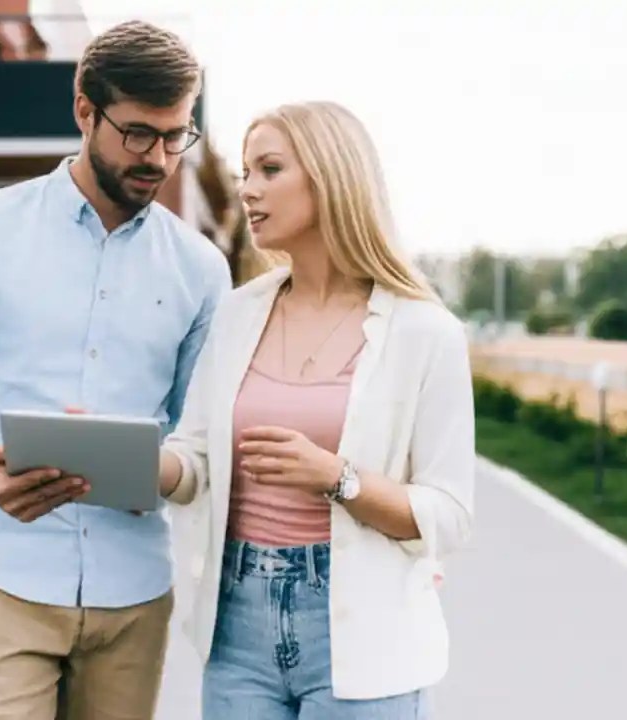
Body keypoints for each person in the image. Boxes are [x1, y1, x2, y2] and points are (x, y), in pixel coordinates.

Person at [0, 20, 233, 720]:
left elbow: (201, 437)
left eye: (176, 136)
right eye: (138, 133)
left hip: (134, 596)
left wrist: (160, 468)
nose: (159, 158)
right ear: (85, 109)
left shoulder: (202, 270)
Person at [157, 101, 476, 719]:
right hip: (237, 627)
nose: (248, 190)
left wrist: (337, 477)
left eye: (269, 169)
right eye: (246, 172)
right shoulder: (237, 313)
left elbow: (450, 514)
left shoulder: (424, 331)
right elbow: (193, 459)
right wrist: (147, 466)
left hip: (366, 636)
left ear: (331, 177)